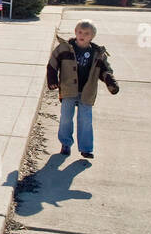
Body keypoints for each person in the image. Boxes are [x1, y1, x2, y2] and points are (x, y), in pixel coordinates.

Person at [46, 19, 120, 159]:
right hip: (68, 89)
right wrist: (52, 80)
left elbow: (105, 71)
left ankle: (86, 148)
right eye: (80, 32)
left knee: (85, 119)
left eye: (86, 33)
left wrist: (111, 83)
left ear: (92, 36)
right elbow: (52, 65)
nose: (82, 35)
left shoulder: (97, 53)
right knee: (66, 118)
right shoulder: (64, 48)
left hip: (87, 91)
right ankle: (65, 143)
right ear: (75, 32)